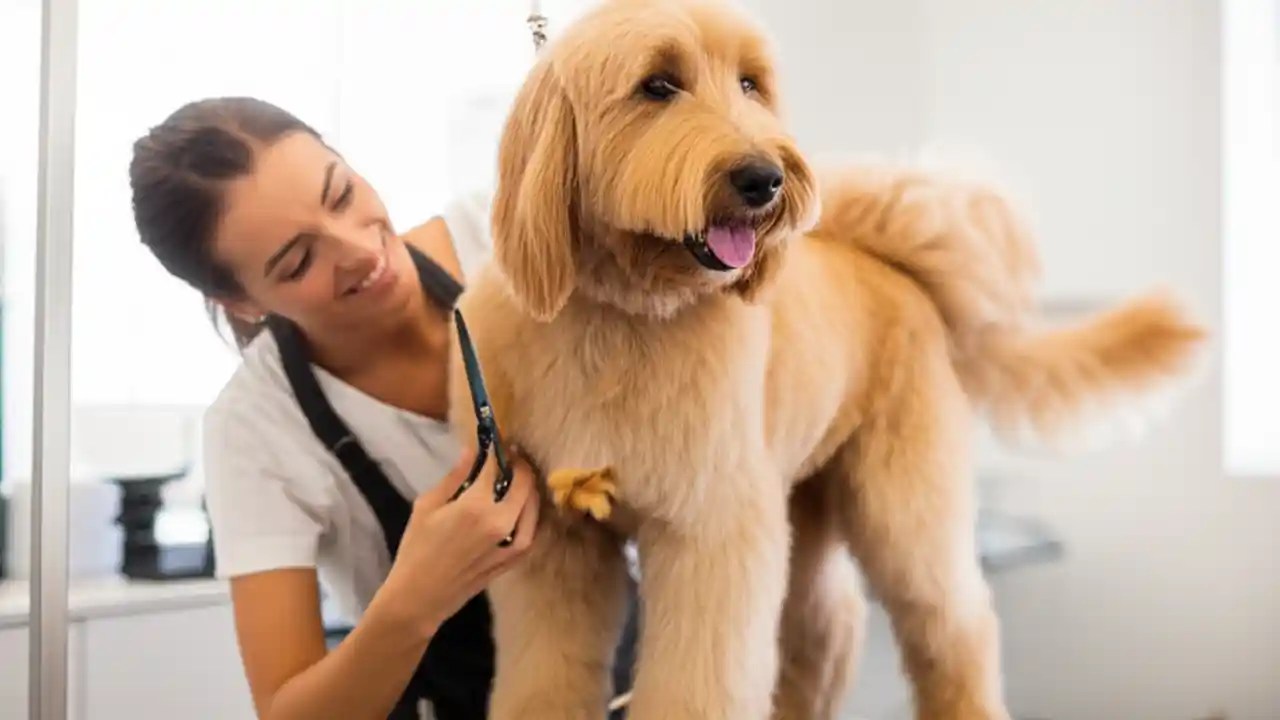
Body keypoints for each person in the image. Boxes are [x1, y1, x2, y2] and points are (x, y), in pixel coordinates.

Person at [129, 96, 636, 720]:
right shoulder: (255, 430)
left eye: (341, 194)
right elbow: (288, 711)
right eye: (299, 261)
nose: (362, 252)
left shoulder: (499, 238)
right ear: (241, 300)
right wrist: (418, 594)